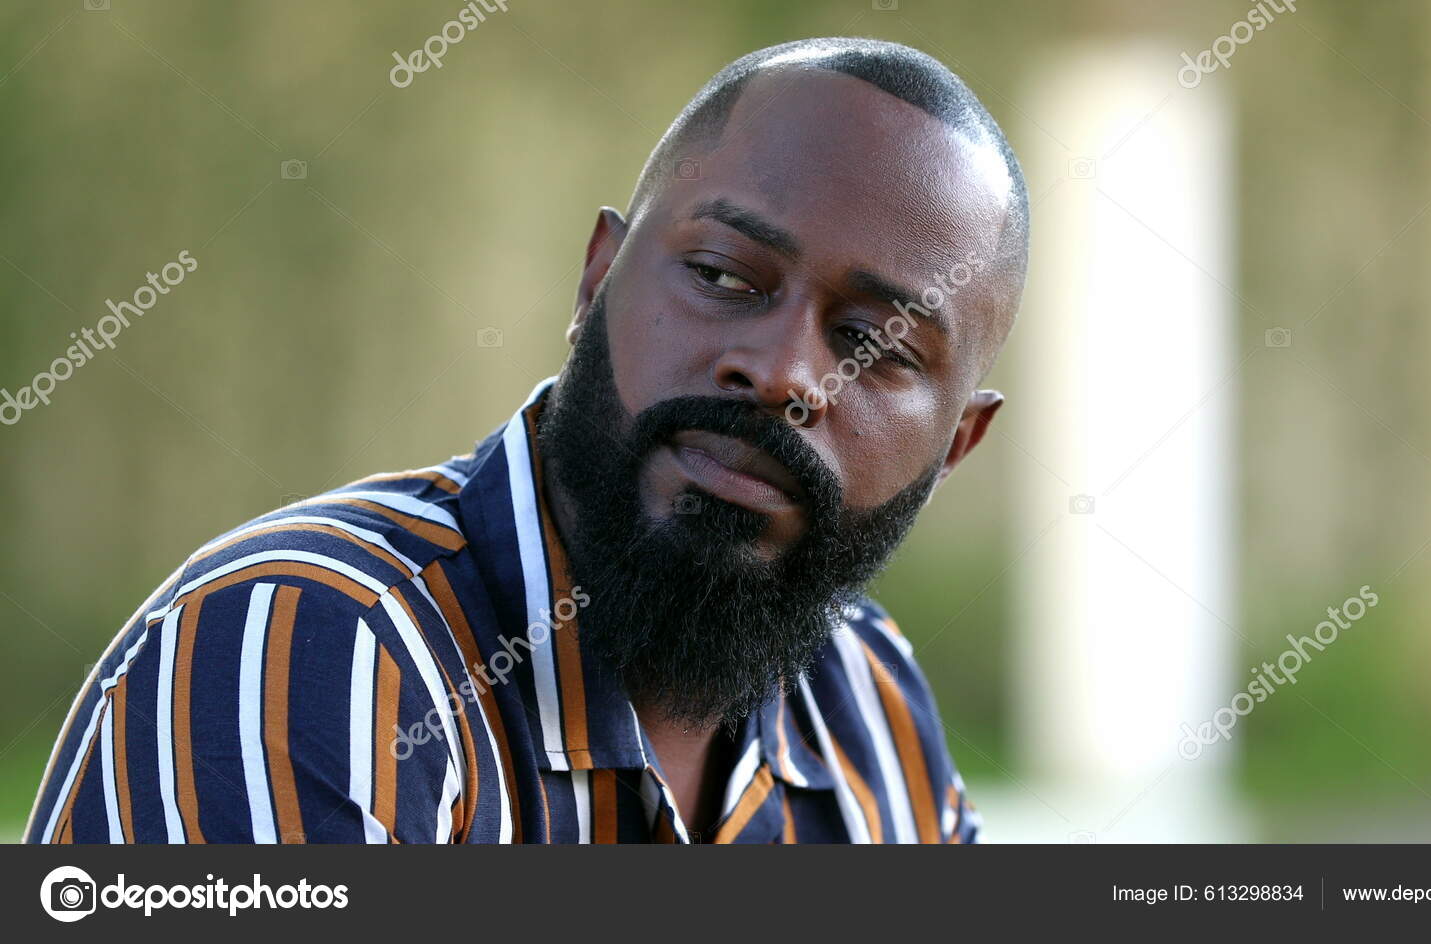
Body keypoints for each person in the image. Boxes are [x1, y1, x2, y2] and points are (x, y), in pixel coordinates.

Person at [28, 36, 1029, 843]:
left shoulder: (869, 705)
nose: (779, 372)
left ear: (957, 443)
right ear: (597, 278)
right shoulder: (310, 645)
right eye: (724, 276)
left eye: (871, 341)